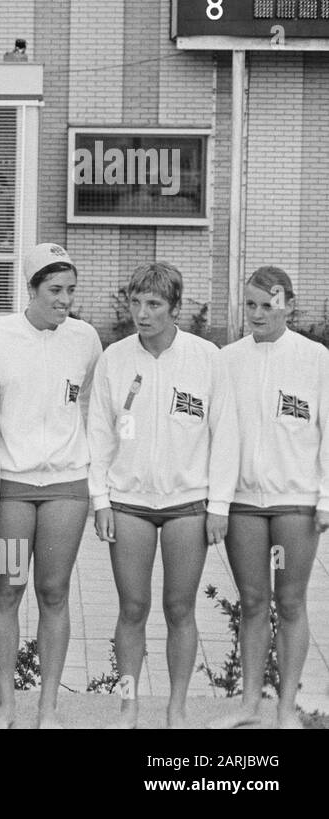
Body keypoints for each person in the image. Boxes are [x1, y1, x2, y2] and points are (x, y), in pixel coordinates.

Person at [87, 261, 237, 728]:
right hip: (128, 502)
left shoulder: (206, 357)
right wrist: (100, 499)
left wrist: (219, 505)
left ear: (174, 307)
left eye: (153, 304)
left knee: (179, 608)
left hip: (187, 503)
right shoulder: (115, 358)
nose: (142, 313)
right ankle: (128, 707)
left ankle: (176, 708)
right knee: (132, 608)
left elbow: (225, 434)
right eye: (135, 302)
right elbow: (99, 434)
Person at [0, 243, 103, 728]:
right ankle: (6, 705)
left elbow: (87, 406)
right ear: (30, 289)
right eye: (54, 291)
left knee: (54, 590)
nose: (65, 300)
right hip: (10, 484)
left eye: (71, 290)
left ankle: (48, 708)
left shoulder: (85, 338)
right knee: (7, 590)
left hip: (67, 482)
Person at [209, 266, 329, 729]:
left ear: (288, 305)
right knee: (253, 602)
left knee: (291, 601)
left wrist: (324, 497)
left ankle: (285, 711)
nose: (257, 314)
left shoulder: (315, 358)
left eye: (268, 304)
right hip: (243, 504)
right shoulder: (228, 358)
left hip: (294, 503)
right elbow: (218, 433)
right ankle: (248, 706)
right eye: (251, 304)